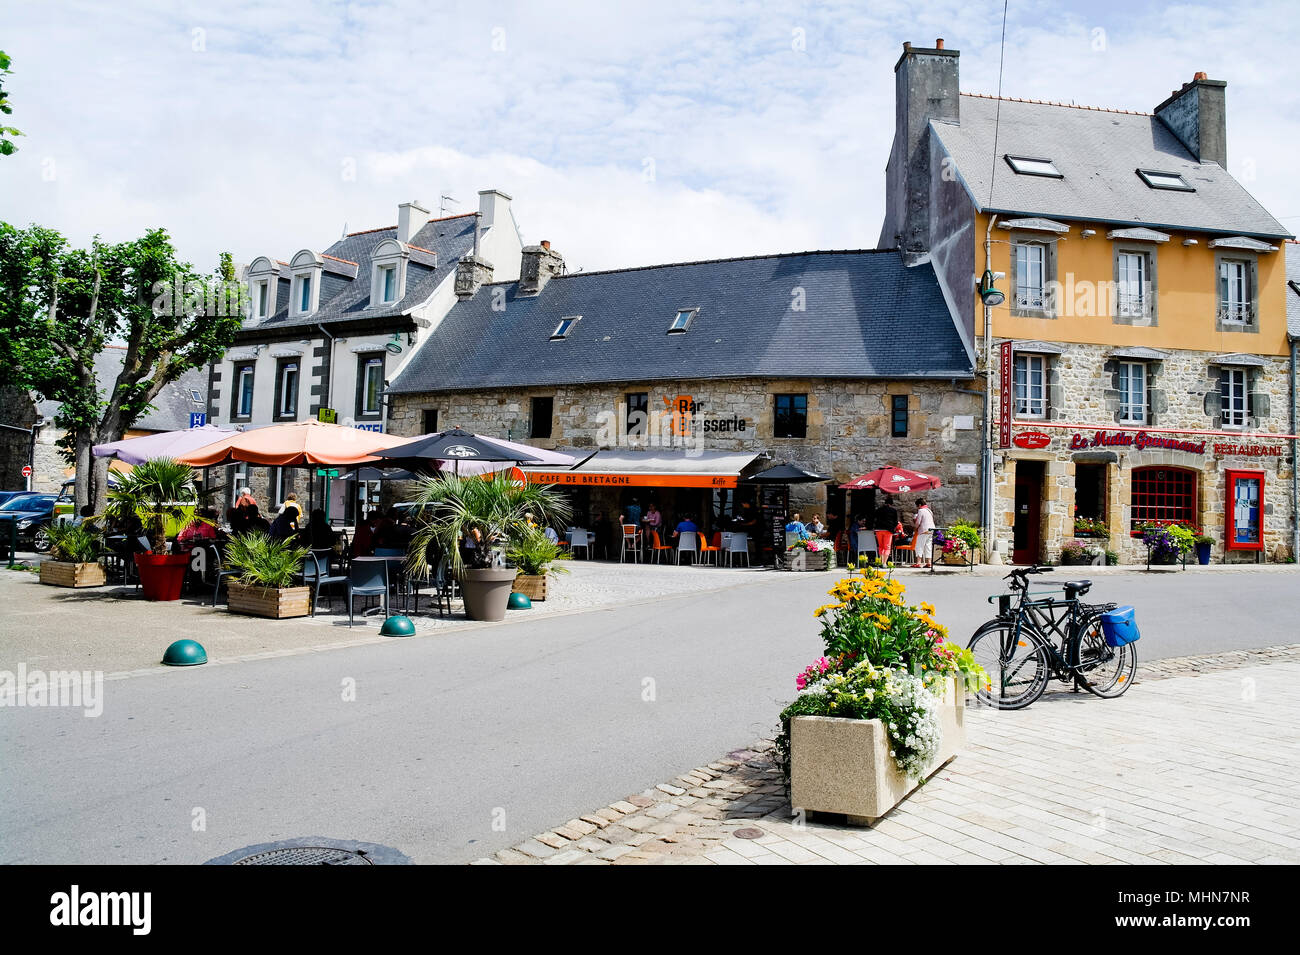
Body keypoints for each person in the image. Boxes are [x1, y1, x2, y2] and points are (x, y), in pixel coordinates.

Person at [912, 498, 936, 568]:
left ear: (919, 505)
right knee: (928, 546)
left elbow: (918, 522)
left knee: (919, 546)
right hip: (931, 529)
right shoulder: (929, 511)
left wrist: (915, 528)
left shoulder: (921, 510)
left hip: (923, 530)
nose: (917, 507)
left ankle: (918, 563)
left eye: (917, 506)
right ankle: (929, 562)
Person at [874, 499, 899, 565]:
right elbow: (896, 522)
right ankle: (884, 563)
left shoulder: (878, 510)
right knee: (887, 547)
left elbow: (873, 518)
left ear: (885, 503)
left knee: (880, 546)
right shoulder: (893, 510)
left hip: (879, 529)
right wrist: (893, 528)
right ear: (891, 504)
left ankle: (881, 561)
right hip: (888, 530)